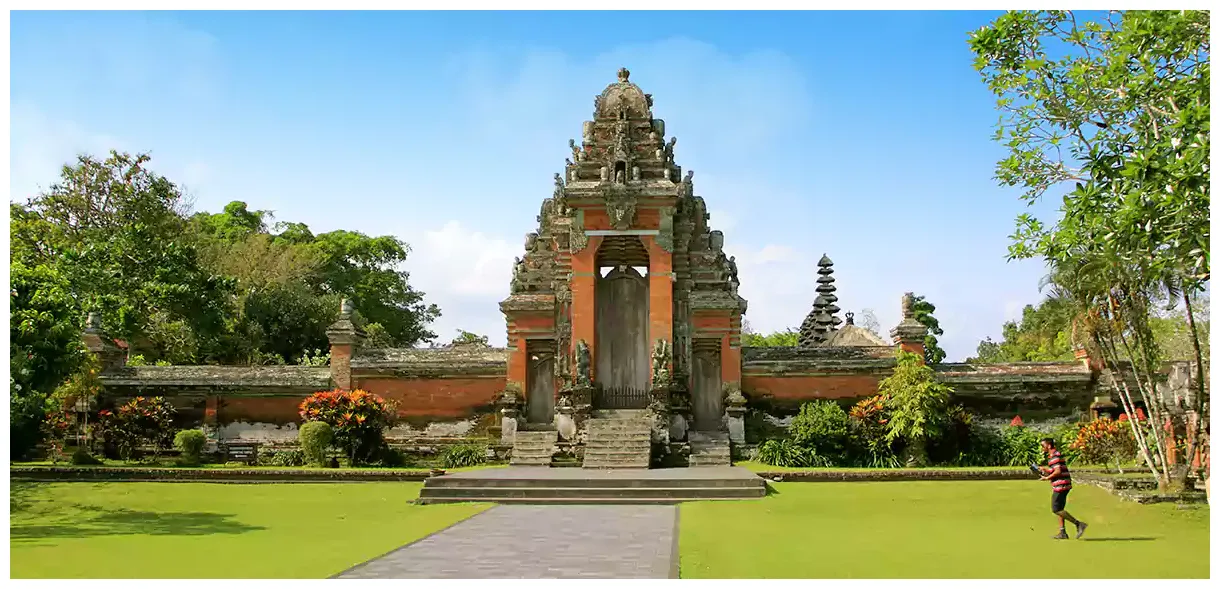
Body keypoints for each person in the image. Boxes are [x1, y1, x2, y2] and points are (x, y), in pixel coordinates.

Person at [1038, 437, 1087, 539]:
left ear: (1049, 445)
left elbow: (1058, 471)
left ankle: (1078, 524)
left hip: (1062, 485)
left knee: (1056, 509)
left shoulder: (1055, 456)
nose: (1042, 448)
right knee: (1060, 509)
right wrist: (1045, 470)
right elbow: (1055, 469)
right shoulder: (1053, 456)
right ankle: (1062, 533)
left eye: (1043, 446)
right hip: (1062, 484)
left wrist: (1047, 478)